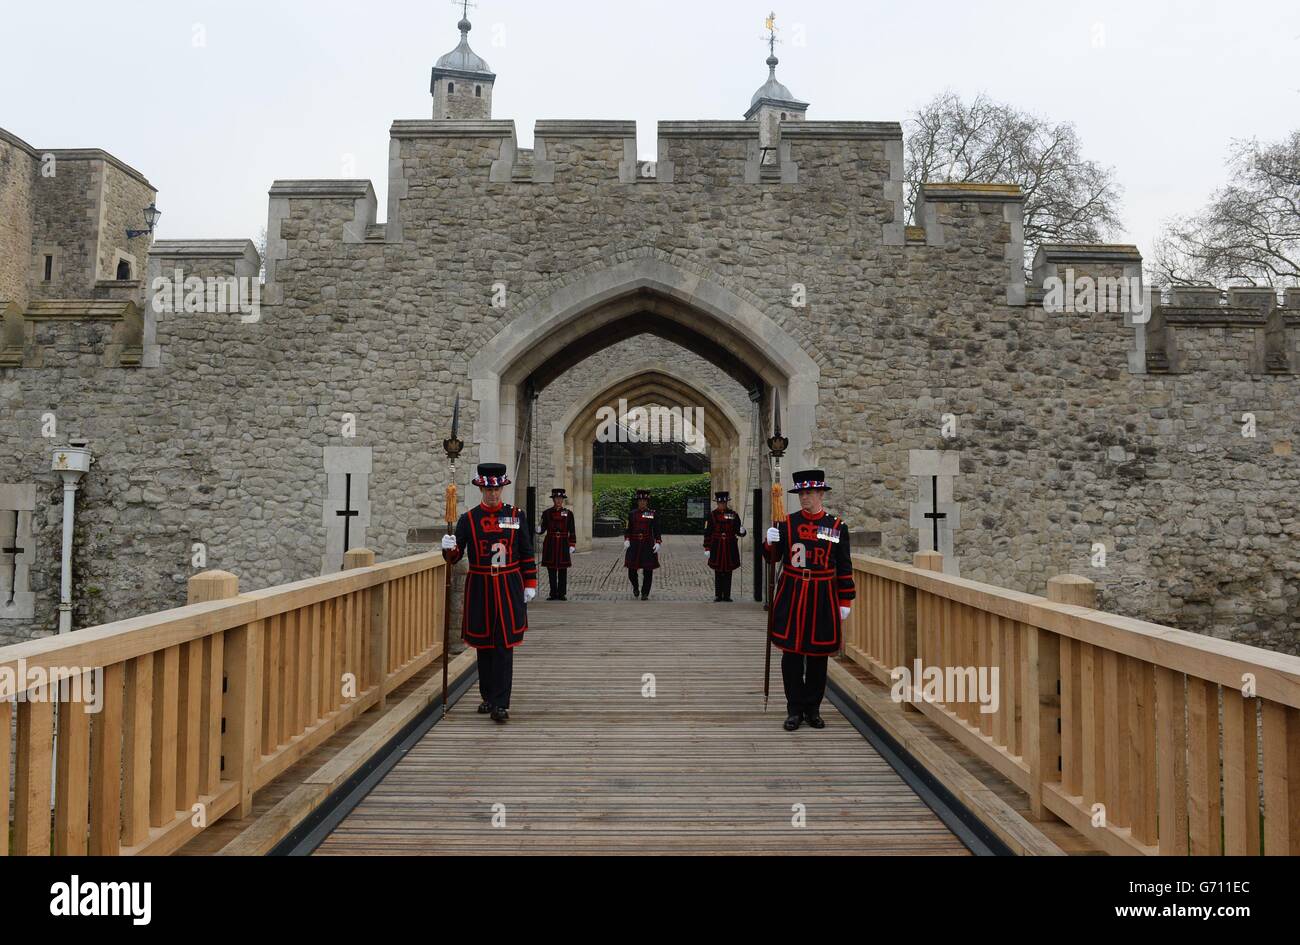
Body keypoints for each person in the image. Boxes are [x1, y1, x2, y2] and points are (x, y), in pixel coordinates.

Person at [441, 462, 537, 723]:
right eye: (487, 490)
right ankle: (487, 696)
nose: (492, 495)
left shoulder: (516, 516)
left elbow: (526, 552)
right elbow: (455, 555)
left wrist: (530, 584)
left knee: (504, 645)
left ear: (502, 489)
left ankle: (501, 703)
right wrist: (448, 547)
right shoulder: (468, 519)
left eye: (496, 491)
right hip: (481, 586)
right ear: (481, 489)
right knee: (483, 644)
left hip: (508, 585)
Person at [763, 469, 854, 732]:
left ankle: (812, 709)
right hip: (792, 592)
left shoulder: (835, 526)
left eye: (810, 493)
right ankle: (794, 709)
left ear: (821, 494)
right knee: (791, 655)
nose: (805, 498)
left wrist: (845, 598)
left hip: (822, 594)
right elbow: (773, 558)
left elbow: (844, 565)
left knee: (817, 655)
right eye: (801, 493)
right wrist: (769, 543)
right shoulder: (786, 523)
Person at [703, 490, 746, 602]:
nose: (722, 505)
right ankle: (718, 595)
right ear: (717, 503)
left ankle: (727, 595)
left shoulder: (733, 515)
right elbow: (708, 532)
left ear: (727, 503)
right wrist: (707, 547)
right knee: (718, 571)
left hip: (729, 546)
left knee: (728, 571)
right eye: (720, 503)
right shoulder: (711, 515)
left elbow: (738, 530)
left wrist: (742, 531)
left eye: (724, 503)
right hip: (717, 546)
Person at [537, 487, 576, 600]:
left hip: (563, 543)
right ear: (553, 499)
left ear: (562, 500)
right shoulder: (547, 513)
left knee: (563, 569)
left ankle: (562, 593)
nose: (558, 500)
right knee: (551, 569)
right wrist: (538, 529)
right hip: (551, 543)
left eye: (560, 498)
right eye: (556, 498)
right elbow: (542, 529)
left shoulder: (568, 513)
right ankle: (553, 593)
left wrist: (572, 544)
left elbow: (572, 530)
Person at [624, 488, 661, 600]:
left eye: (645, 501)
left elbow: (656, 529)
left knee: (648, 570)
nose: (642, 503)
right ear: (637, 502)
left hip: (647, 544)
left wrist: (658, 542)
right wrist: (626, 539)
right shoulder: (632, 514)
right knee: (631, 570)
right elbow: (627, 528)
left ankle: (645, 593)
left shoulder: (650, 514)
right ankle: (635, 587)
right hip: (634, 544)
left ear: (647, 502)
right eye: (640, 501)